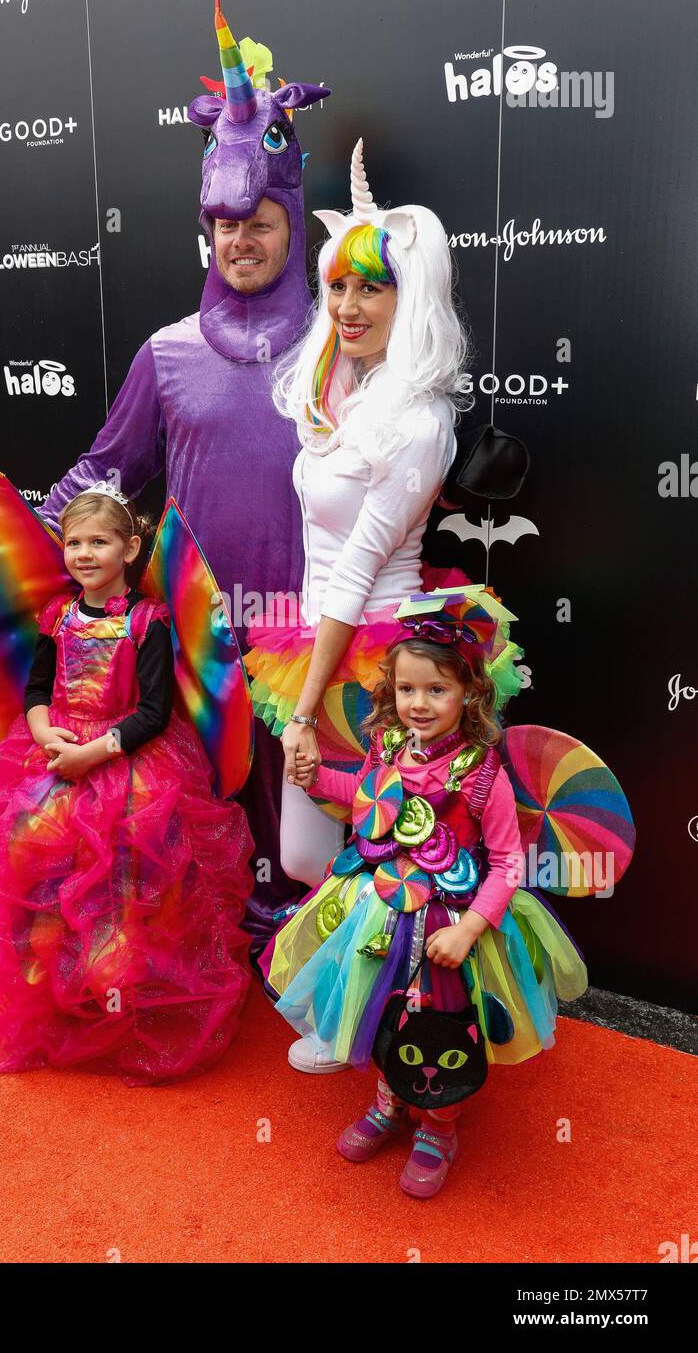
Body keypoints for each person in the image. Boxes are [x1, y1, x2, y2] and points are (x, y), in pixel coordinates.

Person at [35, 0, 331, 958]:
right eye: (223, 227)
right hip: (194, 630)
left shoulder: (342, 346)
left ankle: (309, 944)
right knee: (201, 801)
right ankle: (205, 928)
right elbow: (107, 467)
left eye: (259, 222)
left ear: (290, 225)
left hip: (312, 629)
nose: (240, 242)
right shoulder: (166, 353)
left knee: (307, 818)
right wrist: (26, 529)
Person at [244, 140, 508, 1069]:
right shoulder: (340, 387)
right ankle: (353, 1010)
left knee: (379, 860)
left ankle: (391, 1030)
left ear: (411, 302)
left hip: (378, 663)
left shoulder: (421, 419)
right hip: (315, 640)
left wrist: (308, 709)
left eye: (372, 290)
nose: (348, 309)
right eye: (339, 288)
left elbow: (358, 568)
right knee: (319, 857)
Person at [266, 590, 588, 1196]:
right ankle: (391, 1100)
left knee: (439, 1023)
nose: (419, 703)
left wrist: (470, 929)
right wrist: (315, 778)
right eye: (408, 689)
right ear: (392, 691)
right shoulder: (387, 747)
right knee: (382, 1009)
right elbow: (366, 794)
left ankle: (439, 1125)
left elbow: (508, 862)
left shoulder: (480, 771)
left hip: (448, 924)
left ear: (469, 694)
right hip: (378, 909)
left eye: (437, 690)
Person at [0, 482, 255, 1083]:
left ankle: (123, 989)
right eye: (74, 542)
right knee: (38, 861)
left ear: (129, 549)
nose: (85, 553)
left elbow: (153, 712)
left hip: (127, 761)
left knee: (127, 876)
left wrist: (90, 756)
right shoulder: (59, 618)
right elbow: (38, 692)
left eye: (99, 541)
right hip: (61, 752)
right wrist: (47, 737)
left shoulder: (148, 621)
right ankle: (58, 991)